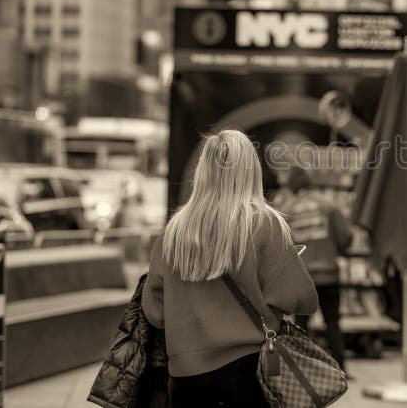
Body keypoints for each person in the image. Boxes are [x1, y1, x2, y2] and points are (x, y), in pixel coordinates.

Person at [142, 131, 318, 408]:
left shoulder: (174, 231)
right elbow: (303, 299)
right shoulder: (264, 222)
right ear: (251, 170)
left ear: (203, 171)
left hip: (184, 376)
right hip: (246, 373)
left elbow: (154, 311)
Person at [276, 167, 352, 372]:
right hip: (329, 275)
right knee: (333, 323)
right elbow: (346, 237)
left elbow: (283, 247)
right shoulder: (329, 205)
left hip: (303, 279)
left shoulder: (286, 211)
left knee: (301, 327)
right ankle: (340, 369)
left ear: (291, 187)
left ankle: (302, 372)